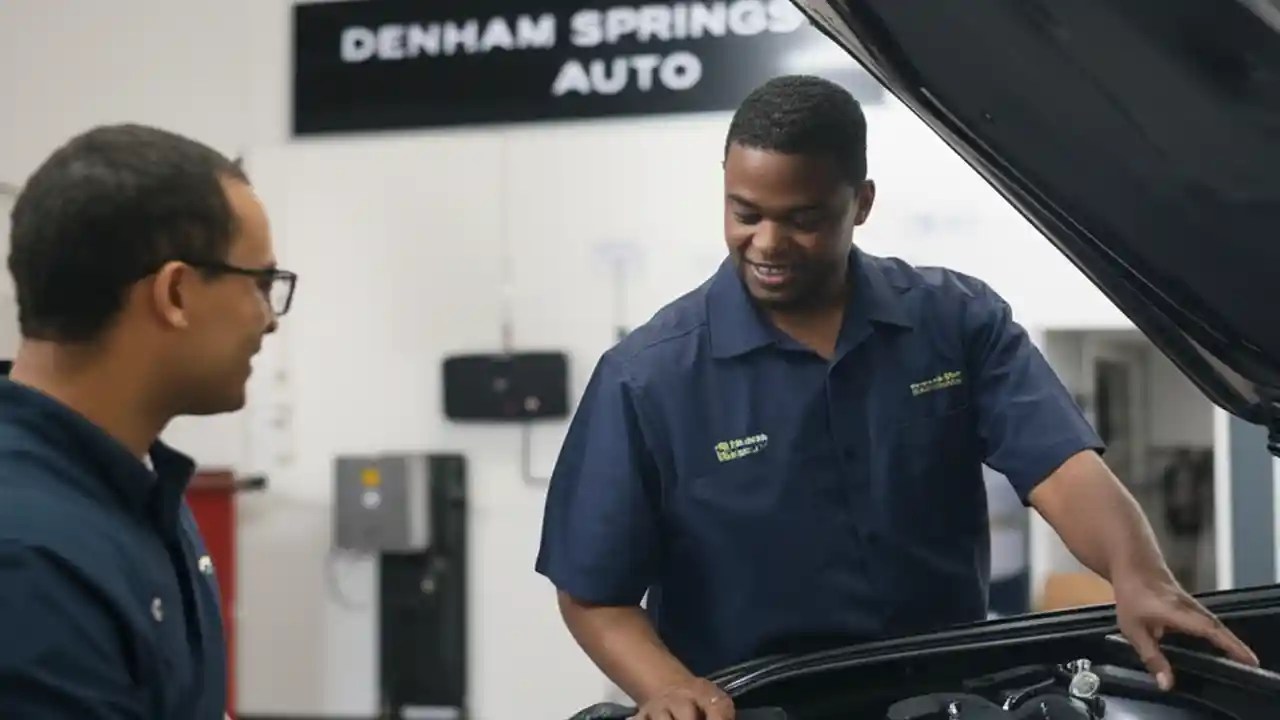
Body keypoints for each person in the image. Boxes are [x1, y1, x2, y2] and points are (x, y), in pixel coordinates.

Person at [535, 75, 1258, 719]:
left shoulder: (954, 322)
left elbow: (1060, 466)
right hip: (756, 703)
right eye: (746, 212)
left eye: (804, 218)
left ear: (862, 203)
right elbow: (595, 591)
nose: (768, 241)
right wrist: (666, 688)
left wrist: (1139, 574)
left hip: (948, 698)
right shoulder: (649, 376)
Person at [0, 124, 295, 719]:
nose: (270, 320)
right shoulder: (31, 557)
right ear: (176, 294)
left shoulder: (136, 485)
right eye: (261, 285)